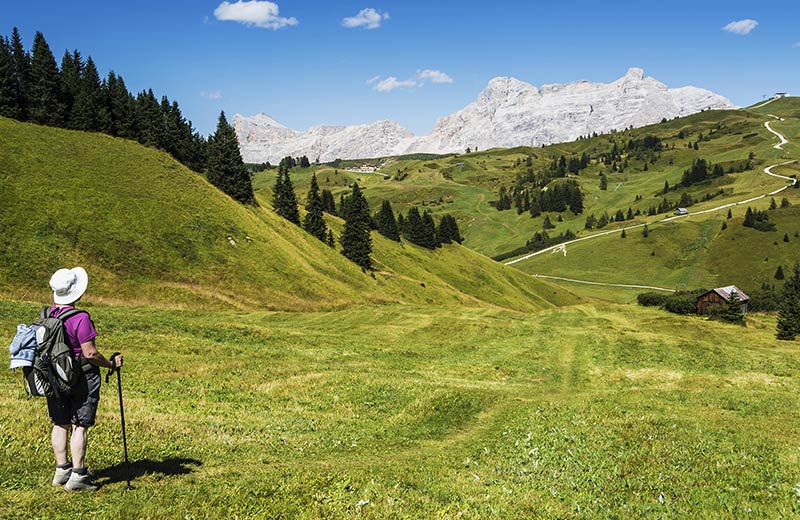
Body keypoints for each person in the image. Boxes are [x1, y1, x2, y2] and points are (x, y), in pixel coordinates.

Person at [46, 267, 123, 491]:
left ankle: (62, 470)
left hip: (55, 376)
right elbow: (90, 353)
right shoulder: (80, 318)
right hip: (81, 377)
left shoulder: (49, 314)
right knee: (80, 424)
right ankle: (78, 476)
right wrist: (110, 364)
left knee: (60, 422)